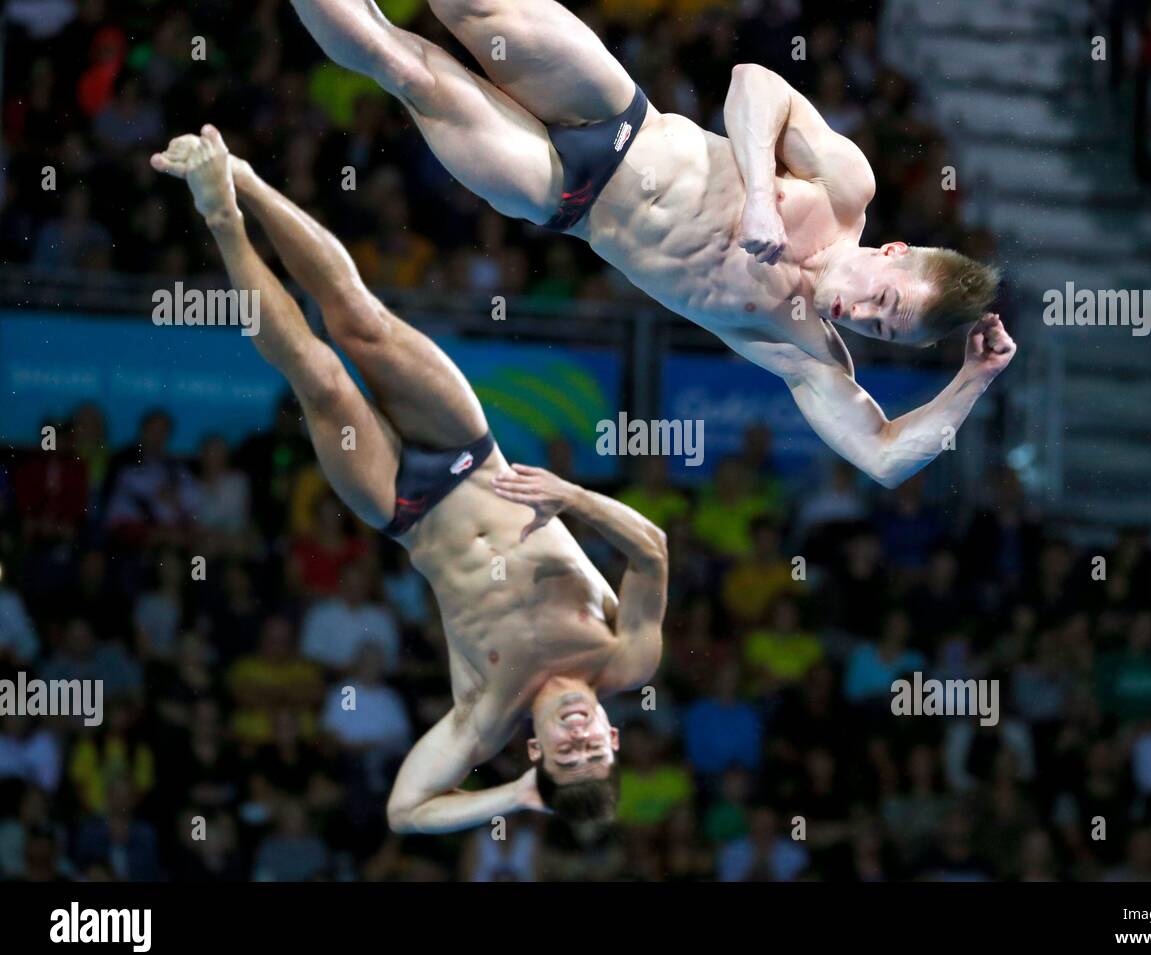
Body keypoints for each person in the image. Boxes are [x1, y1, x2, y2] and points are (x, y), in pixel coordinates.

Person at [151, 126, 667, 832]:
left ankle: (221, 215)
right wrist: (574, 498)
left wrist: (516, 798)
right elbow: (652, 549)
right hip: (472, 456)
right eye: (593, 754)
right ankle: (247, 179)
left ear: (537, 750)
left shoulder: (487, 717)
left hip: (405, 504)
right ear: (612, 738)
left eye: (565, 758)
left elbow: (405, 810)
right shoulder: (627, 654)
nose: (578, 742)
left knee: (320, 374)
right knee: (361, 321)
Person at [288, 0, 1016, 488]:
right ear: (891, 252)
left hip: (557, 193)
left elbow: (884, 459)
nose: (862, 314)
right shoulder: (845, 188)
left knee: (405, 68)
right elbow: (753, 83)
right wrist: (760, 194)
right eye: (882, 299)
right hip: (614, 111)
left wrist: (972, 380)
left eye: (880, 328)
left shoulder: (801, 348)